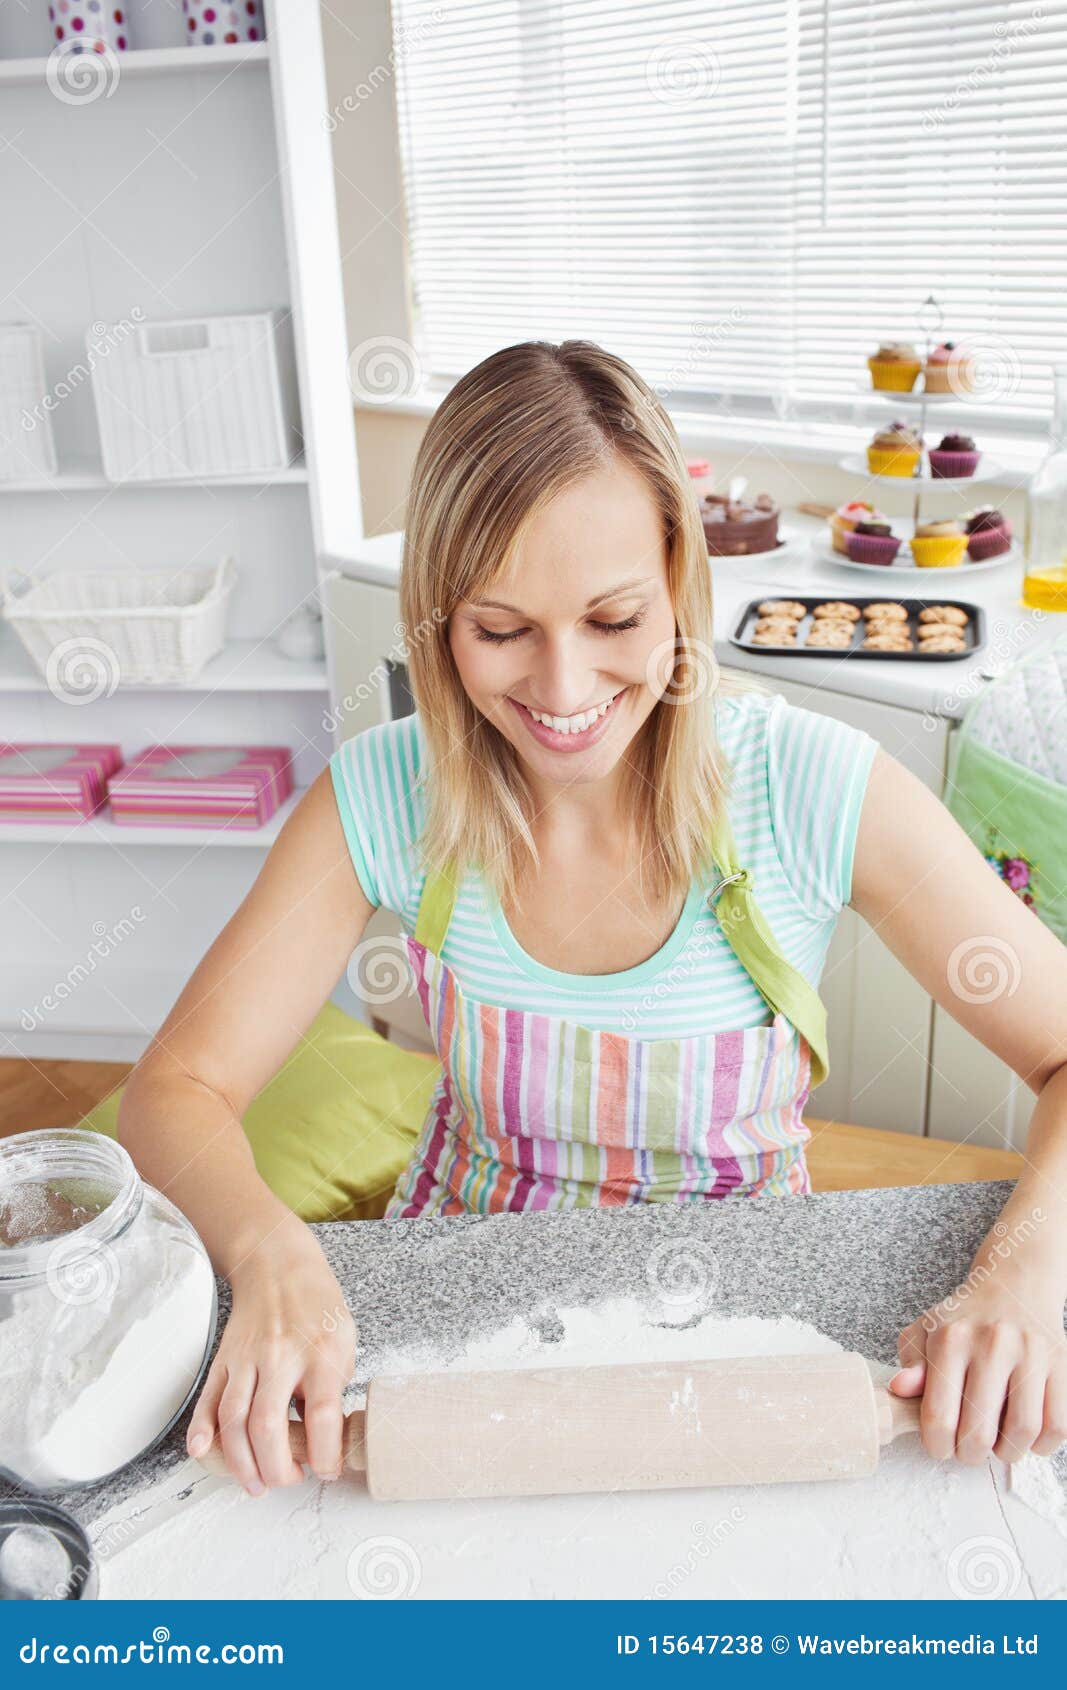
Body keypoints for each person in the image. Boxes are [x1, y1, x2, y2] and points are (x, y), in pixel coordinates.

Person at [118, 341, 1067, 1497]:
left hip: (743, 1320)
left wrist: (1021, 1276)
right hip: (456, 1308)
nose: (561, 691)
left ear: (678, 583)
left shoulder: (811, 787)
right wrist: (271, 1254)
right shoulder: (384, 794)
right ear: (437, 620)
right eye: (499, 630)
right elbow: (176, 1088)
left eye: (614, 618)